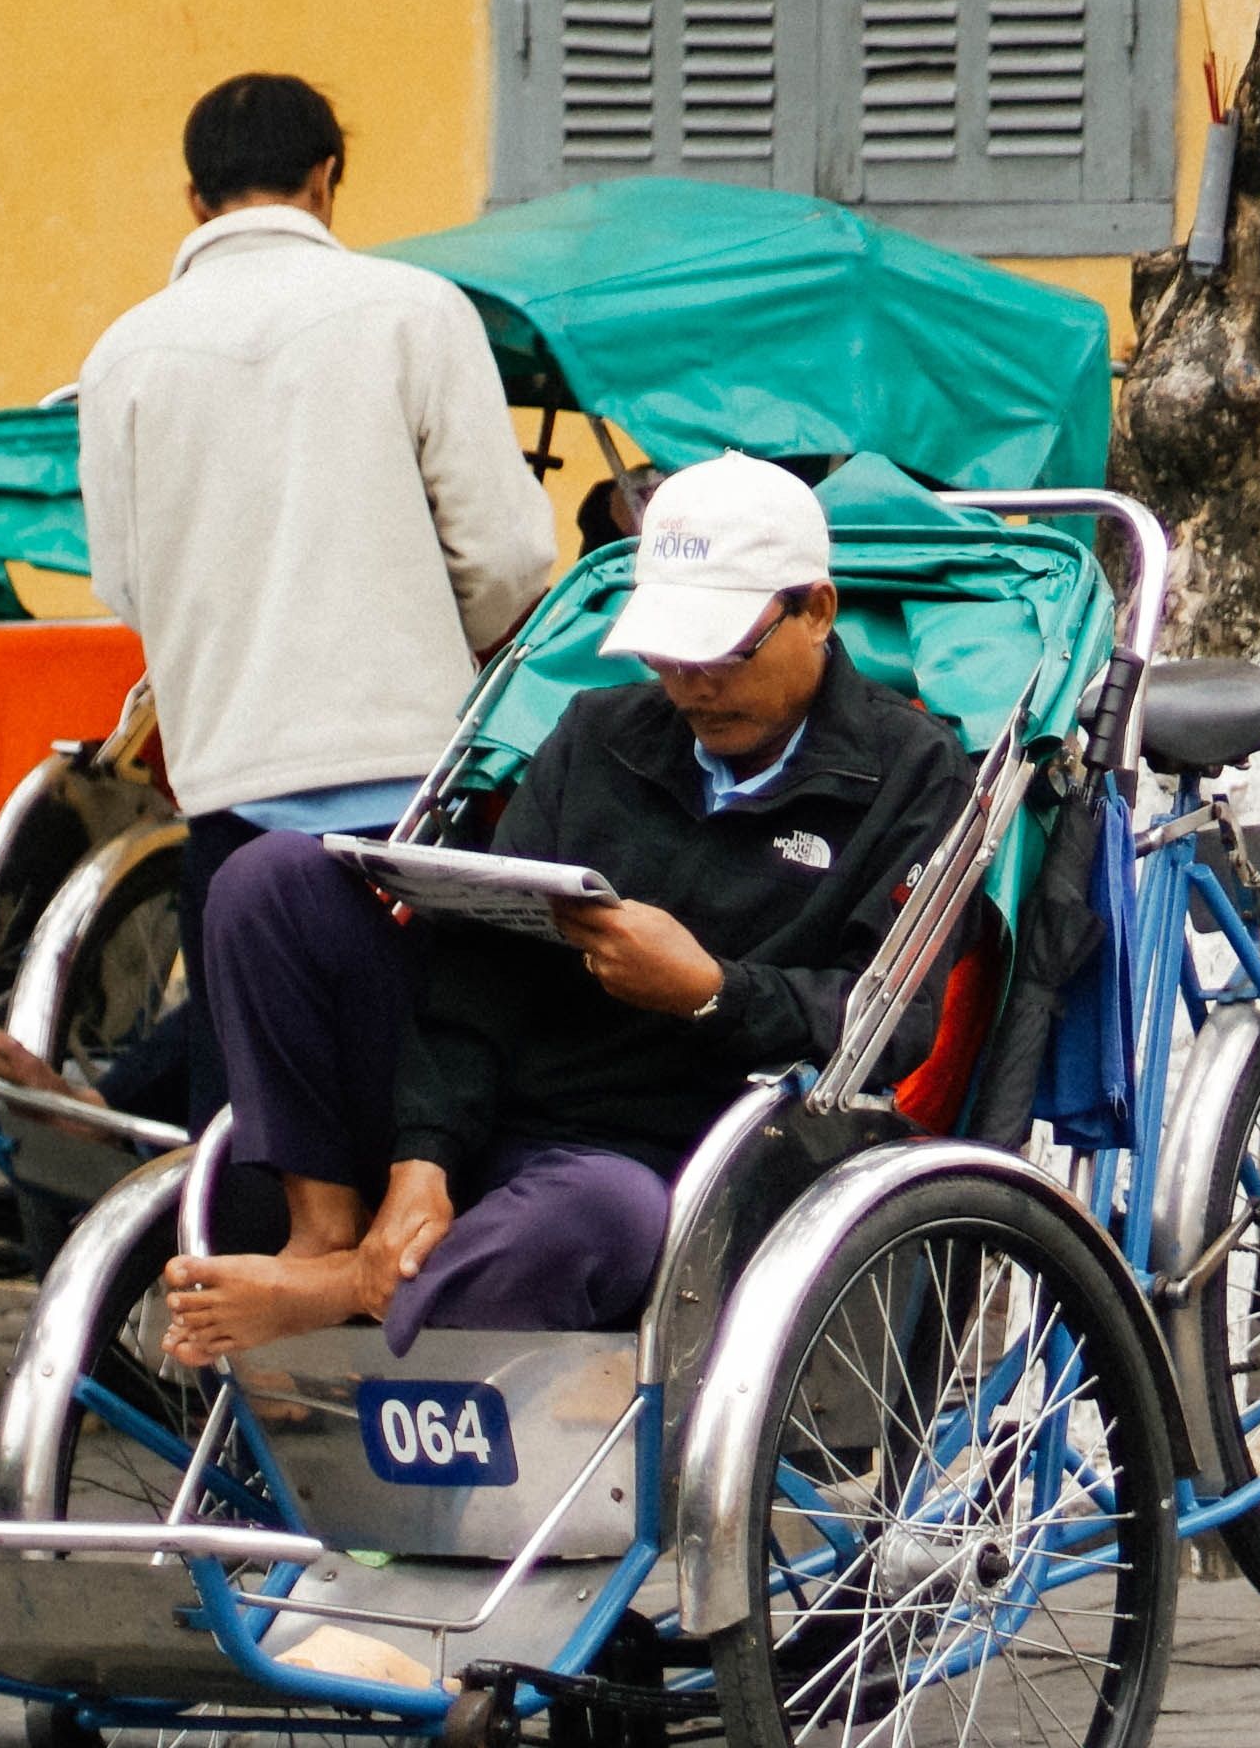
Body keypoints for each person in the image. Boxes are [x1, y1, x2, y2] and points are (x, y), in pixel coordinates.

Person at [162, 458, 970, 1360]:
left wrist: (709, 991)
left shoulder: (912, 773)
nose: (693, 684)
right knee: (272, 878)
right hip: (489, 1100)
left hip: (666, 1161)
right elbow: (480, 964)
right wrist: (420, 1160)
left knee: (597, 1216)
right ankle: (325, 1239)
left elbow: (885, 1025)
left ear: (815, 610)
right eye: (669, 652)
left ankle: (354, 1289)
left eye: (723, 651)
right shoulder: (598, 733)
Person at [65, 76, 562, 1121]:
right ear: (327, 179)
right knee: (425, 1112)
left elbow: (124, 582)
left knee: (253, 1122)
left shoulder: (123, 356)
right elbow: (512, 557)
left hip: (231, 806)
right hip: (415, 804)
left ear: (196, 200)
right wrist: (439, 644)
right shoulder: (415, 313)